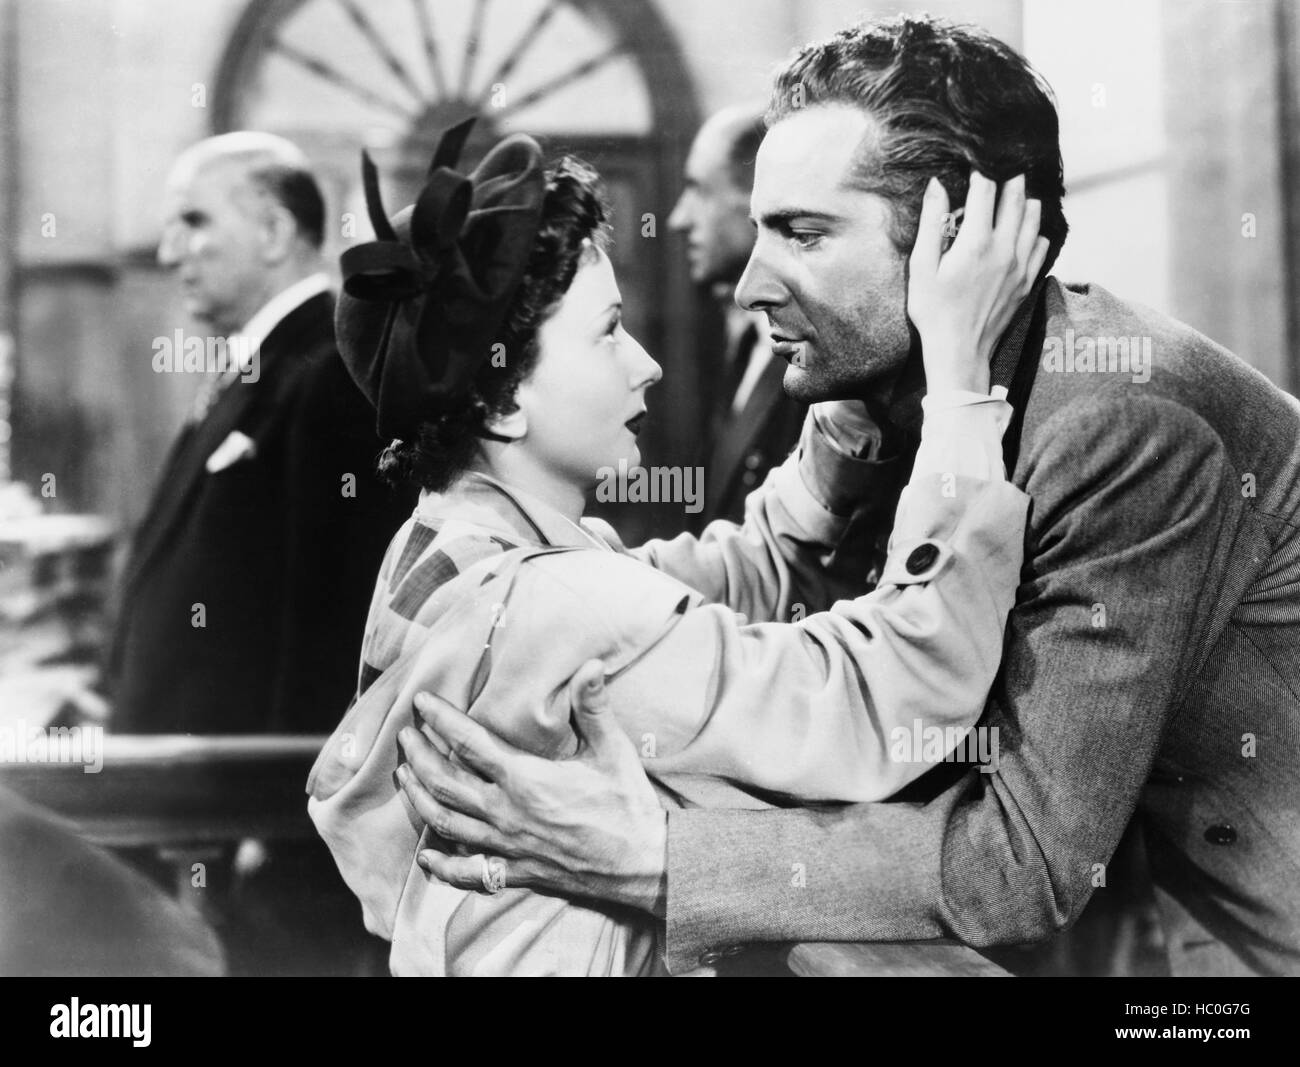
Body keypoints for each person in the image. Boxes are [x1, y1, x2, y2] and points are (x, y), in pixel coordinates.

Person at [397, 14, 1300, 977]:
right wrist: (529, 599)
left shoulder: (1126, 425)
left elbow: (1023, 862)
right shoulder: (881, 381)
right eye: (759, 230)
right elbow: (766, 569)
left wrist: (650, 854)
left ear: (953, 244)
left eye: (803, 234)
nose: (749, 285)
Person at [306, 118, 1044, 975]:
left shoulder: (451, 550)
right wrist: (957, 381)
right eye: (609, 330)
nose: (646, 363)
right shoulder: (565, 608)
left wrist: (851, 391)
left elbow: (735, 576)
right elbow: (889, 693)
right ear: (505, 401)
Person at [108, 132, 412, 734]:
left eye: (193, 221)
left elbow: (336, 622)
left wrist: (278, 816)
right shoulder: (260, 363)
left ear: (273, 233)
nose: (169, 254)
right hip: (184, 787)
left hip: (244, 796)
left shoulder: (329, 370)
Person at [668, 105, 804, 523]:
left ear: (758, 201)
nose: (678, 219)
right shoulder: (734, 341)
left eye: (699, 190)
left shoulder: (816, 361)